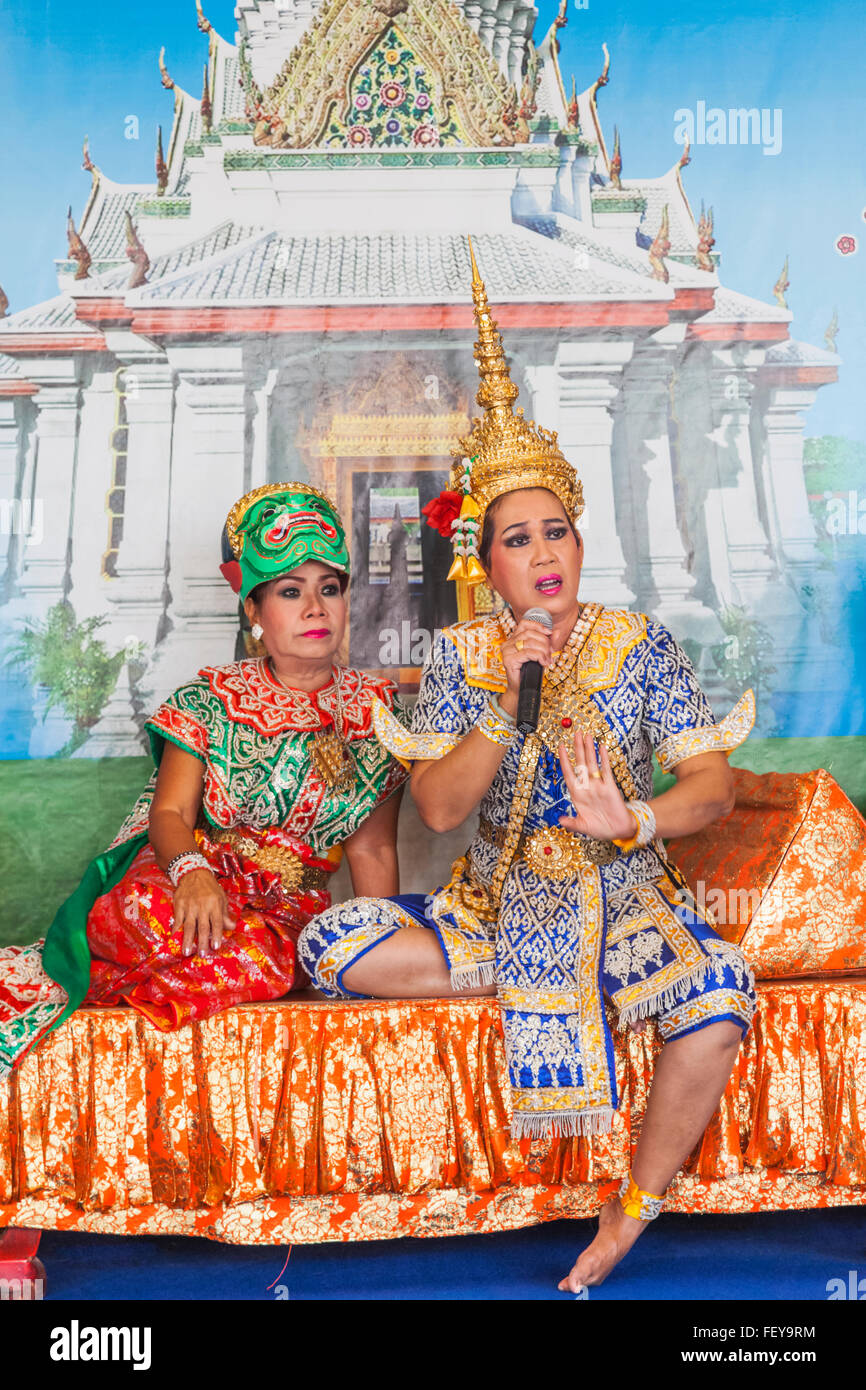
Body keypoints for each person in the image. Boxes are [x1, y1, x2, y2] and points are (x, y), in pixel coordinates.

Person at [298, 244, 757, 1294]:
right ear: (486, 561)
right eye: (517, 539)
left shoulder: (639, 643)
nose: (544, 553)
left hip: (626, 905)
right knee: (332, 941)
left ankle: (631, 1208)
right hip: (494, 908)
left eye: (557, 531)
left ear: (577, 541)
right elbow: (437, 806)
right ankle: (547, 973)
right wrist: (508, 703)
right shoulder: (461, 656)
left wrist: (634, 820)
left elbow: (711, 787)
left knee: (722, 989)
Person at [1, 483, 406, 1068]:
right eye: (291, 591)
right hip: (197, 881)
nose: (316, 608)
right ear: (254, 611)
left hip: (286, 913)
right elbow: (170, 814)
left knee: (265, 957)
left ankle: (143, 985)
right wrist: (192, 874)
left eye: (329, 589)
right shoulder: (210, 699)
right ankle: (144, 979)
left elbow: (373, 849)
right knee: (143, 912)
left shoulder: (375, 712)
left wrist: (380, 956)